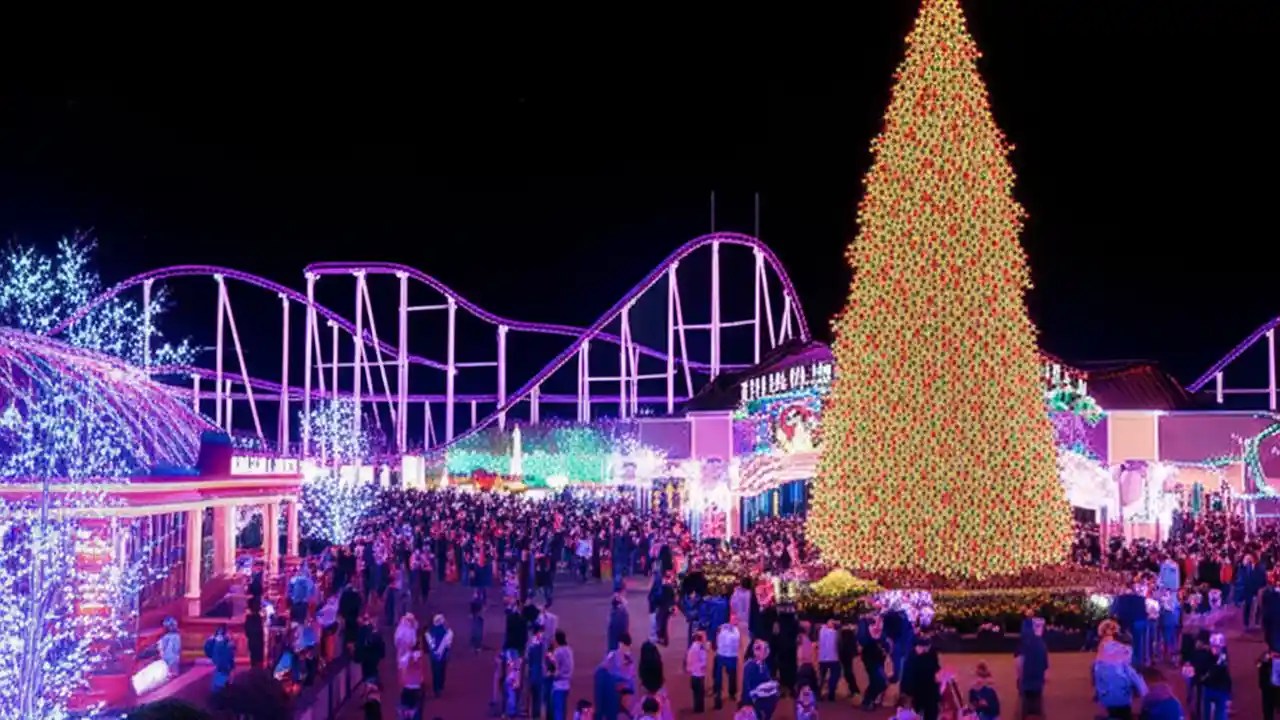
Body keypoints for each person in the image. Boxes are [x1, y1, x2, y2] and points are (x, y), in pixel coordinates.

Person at [1094, 639, 1147, 719]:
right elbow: (1142, 687)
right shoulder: (1126, 668)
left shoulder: (1099, 667)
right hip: (1123, 702)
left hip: (1106, 701)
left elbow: (1097, 683)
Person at [901, 636, 942, 720]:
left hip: (930, 689)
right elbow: (907, 677)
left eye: (927, 646)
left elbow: (937, 668)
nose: (925, 648)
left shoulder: (932, 653)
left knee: (932, 712)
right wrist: (907, 693)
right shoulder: (911, 657)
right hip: (917, 690)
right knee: (916, 712)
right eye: (922, 646)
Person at [1015, 616, 1049, 717]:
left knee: (1024, 698)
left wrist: (1019, 676)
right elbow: (1044, 663)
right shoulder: (1042, 644)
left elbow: (1019, 661)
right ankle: (1036, 711)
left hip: (1026, 678)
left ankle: (1025, 712)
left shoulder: (1024, 644)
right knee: (1037, 696)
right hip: (1037, 678)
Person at [743, 639, 779, 720]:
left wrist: (773, 684)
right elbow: (747, 686)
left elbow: (768, 679)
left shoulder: (764, 664)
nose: (766, 653)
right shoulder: (749, 665)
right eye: (764, 650)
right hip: (753, 697)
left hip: (762, 693)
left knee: (775, 695)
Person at [713, 614, 741, 710]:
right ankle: (718, 696)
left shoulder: (735, 631)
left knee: (732, 676)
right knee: (719, 678)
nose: (735, 621)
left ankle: (731, 692)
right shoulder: (725, 629)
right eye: (734, 619)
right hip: (723, 655)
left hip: (730, 656)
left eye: (736, 620)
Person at [426, 614, 453, 697]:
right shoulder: (447, 632)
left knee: (435, 672)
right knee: (441, 671)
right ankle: (439, 687)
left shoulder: (429, 632)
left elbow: (429, 644)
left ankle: (436, 688)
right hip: (443, 656)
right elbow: (448, 644)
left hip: (433, 656)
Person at [398, 636, 426, 719]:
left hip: (407, 688)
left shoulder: (403, 659)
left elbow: (401, 677)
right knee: (417, 713)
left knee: (405, 712)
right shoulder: (421, 657)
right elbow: (423, 674)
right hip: (417, 687)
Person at [204, 624, 236, 692]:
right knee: (221, 679)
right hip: (223, 664)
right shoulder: (224, 642)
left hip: (222, 664)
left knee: (221, 679)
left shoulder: (220, 640)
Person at [551, 630, 574, 720]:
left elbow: (554, 668)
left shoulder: (558, 652)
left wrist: (552, 675)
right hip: (567, 684)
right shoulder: (569, 650)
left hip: (558, 685)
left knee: (558, 711)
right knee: (563, 710)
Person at [686, 630, 708, 714]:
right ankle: (699, 710)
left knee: (695, 694)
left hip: (693, 675)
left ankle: (696, 708)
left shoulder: (692, 647)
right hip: (699, 675)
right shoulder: (700, 649)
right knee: (700, 694)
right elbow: (704, 662)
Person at [244, 599, 266, 670]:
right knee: (256, 659)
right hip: (256, 641)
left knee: (256, 659)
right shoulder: (254, 618)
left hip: (255, 641)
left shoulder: (253, 617)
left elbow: (247, 631)